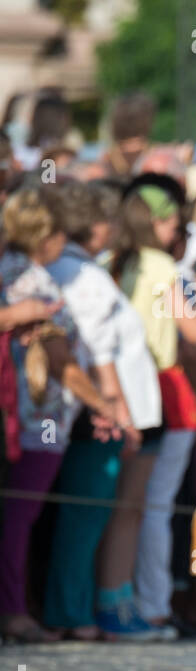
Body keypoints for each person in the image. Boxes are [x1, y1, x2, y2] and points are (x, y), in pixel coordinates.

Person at [1, 187, 117, 643]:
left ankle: (17, 604)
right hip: (40, 419)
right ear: (44, 233)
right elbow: (60, 360)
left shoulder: (18, 273)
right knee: (21, 514)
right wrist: (102, 404)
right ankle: (12, 610)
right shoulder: (32, 282)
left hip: (30, 415)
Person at [43, 182, 157, 640]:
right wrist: (120, 414)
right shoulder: (82, 275)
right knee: (85, 514)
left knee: (85, 513)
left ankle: (71, 607)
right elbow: (100, 353)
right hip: (101, 411)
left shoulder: (78, 269)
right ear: (95, 225)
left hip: (93, 407)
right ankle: (70, 612)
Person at [111, 184, 196, 638]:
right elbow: (195, 331)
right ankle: (151, 604)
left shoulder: (116, 261)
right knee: (153, 505)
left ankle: (125, 597)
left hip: (121, 387)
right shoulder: (162, 264)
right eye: (173, 222)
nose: (177, 231)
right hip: (160, 387)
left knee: (122, 505)